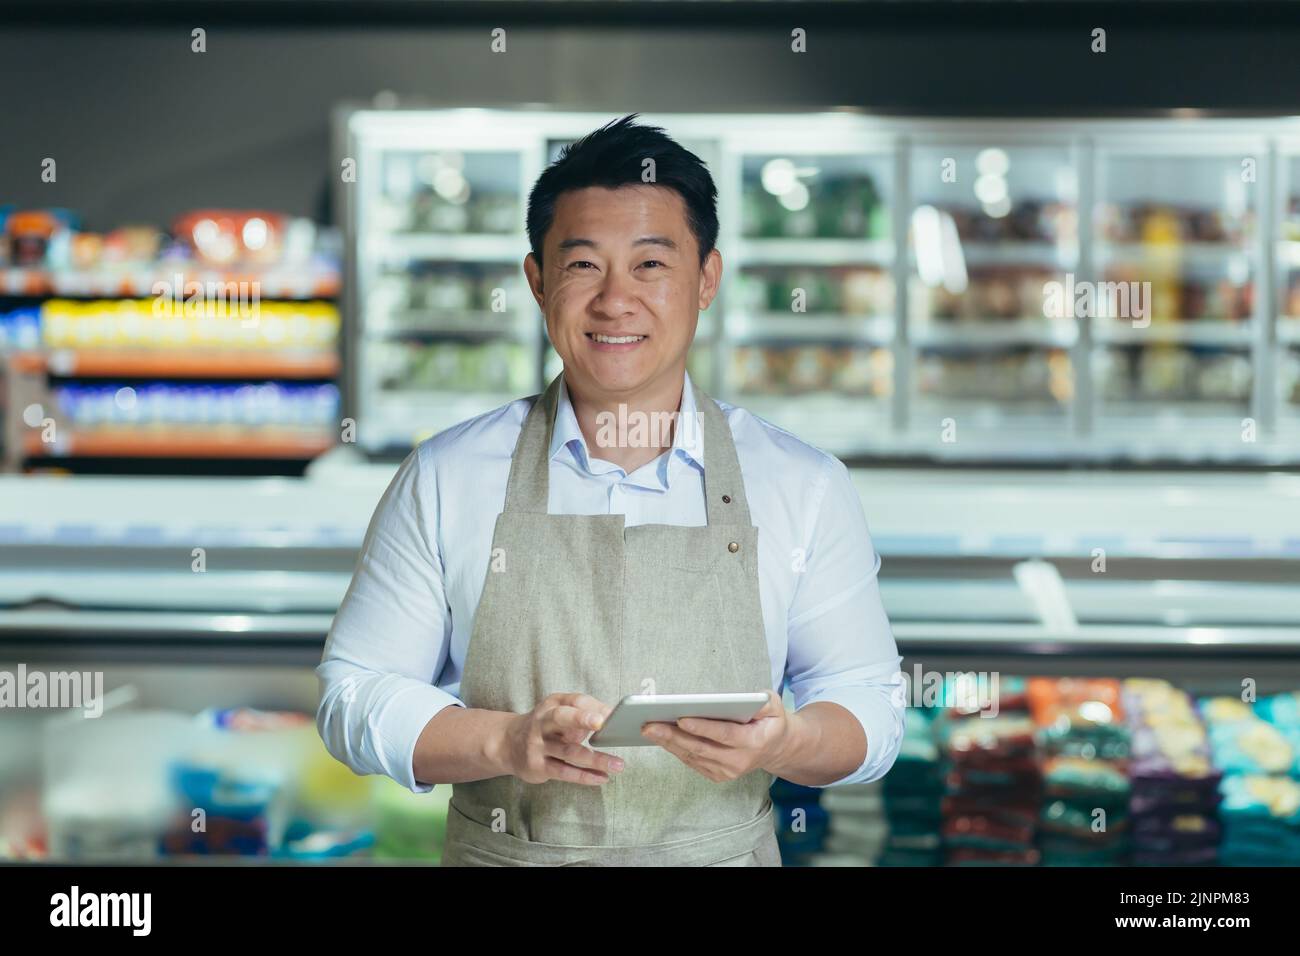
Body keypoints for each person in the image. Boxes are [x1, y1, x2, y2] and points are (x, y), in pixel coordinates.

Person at [317, 114, 905, 866]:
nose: (615, 300)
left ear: (707, 280)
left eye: (652, 265)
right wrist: (506, 739)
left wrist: (788, 740)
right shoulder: (447, 475)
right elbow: (354, 693)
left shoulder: (802, 484)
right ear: (537, 282)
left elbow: (871, 707)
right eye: (584, 265)